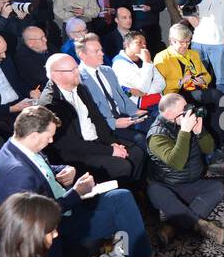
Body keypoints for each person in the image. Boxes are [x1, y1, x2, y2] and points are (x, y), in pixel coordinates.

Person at [0, 106, 181, 257]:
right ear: (33, 135)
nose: (50, 141)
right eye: (48, 137)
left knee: (122, 196)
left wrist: (65, 168)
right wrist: (77, 193)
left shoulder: (20, 146)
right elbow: (38, 220)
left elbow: (42, 167)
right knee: (123, 210)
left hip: (65, 204)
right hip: (56, 228)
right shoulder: (16, 173)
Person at [39, 53, 146, 184]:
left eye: (76, 67)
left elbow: (97, 119)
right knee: (122, 166)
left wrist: (111, 142)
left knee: (137, 153)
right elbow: (69, 144)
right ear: (56, 75)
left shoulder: (80, 88)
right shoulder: (51, 104)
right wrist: (110, 150)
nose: (78, 72)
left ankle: (133, 191)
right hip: (75, 153)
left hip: (95, 141)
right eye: (72, 70)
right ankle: (116, 197)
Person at [146, 94, 224, 246]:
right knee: (154, 191)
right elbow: (177, 163)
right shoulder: (156, 135)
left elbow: (209, 148)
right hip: (167, 186)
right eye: (184, 110)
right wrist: (185, 132)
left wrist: (200, 132)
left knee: (218, 187)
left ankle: (173, 226)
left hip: (191, 183)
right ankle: (202, 226)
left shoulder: (184, 122)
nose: (190, 112)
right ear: (169, 114)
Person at [154, 23, 224, 151]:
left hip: (196, 89)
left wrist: (201, 79)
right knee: (216, 96)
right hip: (176, 95)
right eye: (181, 42)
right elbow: (160, 86)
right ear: (172, 41)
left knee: (215, 106)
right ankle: (219, 140)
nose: (185, 45)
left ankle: (218, 144)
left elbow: (207, 76)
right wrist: (180, 81)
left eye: (188, 42)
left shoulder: (193, 54)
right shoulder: (162, 58)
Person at [78, 34, 150, 149]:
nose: (102, 53)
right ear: (82, 56)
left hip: (122, 116)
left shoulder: (108, 71)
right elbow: (87, 114)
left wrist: (135, 111)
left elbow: (122, 97)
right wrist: (113, 123)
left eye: (101, 50)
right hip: (104, 126)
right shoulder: (79, 79)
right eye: (96, 51)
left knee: (155, 126)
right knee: (142, 140)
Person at [112, 29, 165, 111]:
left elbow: (162, 83)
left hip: (156, 102)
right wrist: (147, 63)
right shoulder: (119, 64)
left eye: (145, 44)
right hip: (139, 109)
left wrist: (145, 92)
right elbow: (143, 87)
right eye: (139, 42)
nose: (143, 46)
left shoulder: (145, 60)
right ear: (127, 44)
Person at [13, 25, 53, 93]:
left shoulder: (48, 46)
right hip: (44, 91)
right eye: (41, 38)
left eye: (45, 36)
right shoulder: (23, 58)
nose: (45, 40)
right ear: (31, 43)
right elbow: (43, 78)